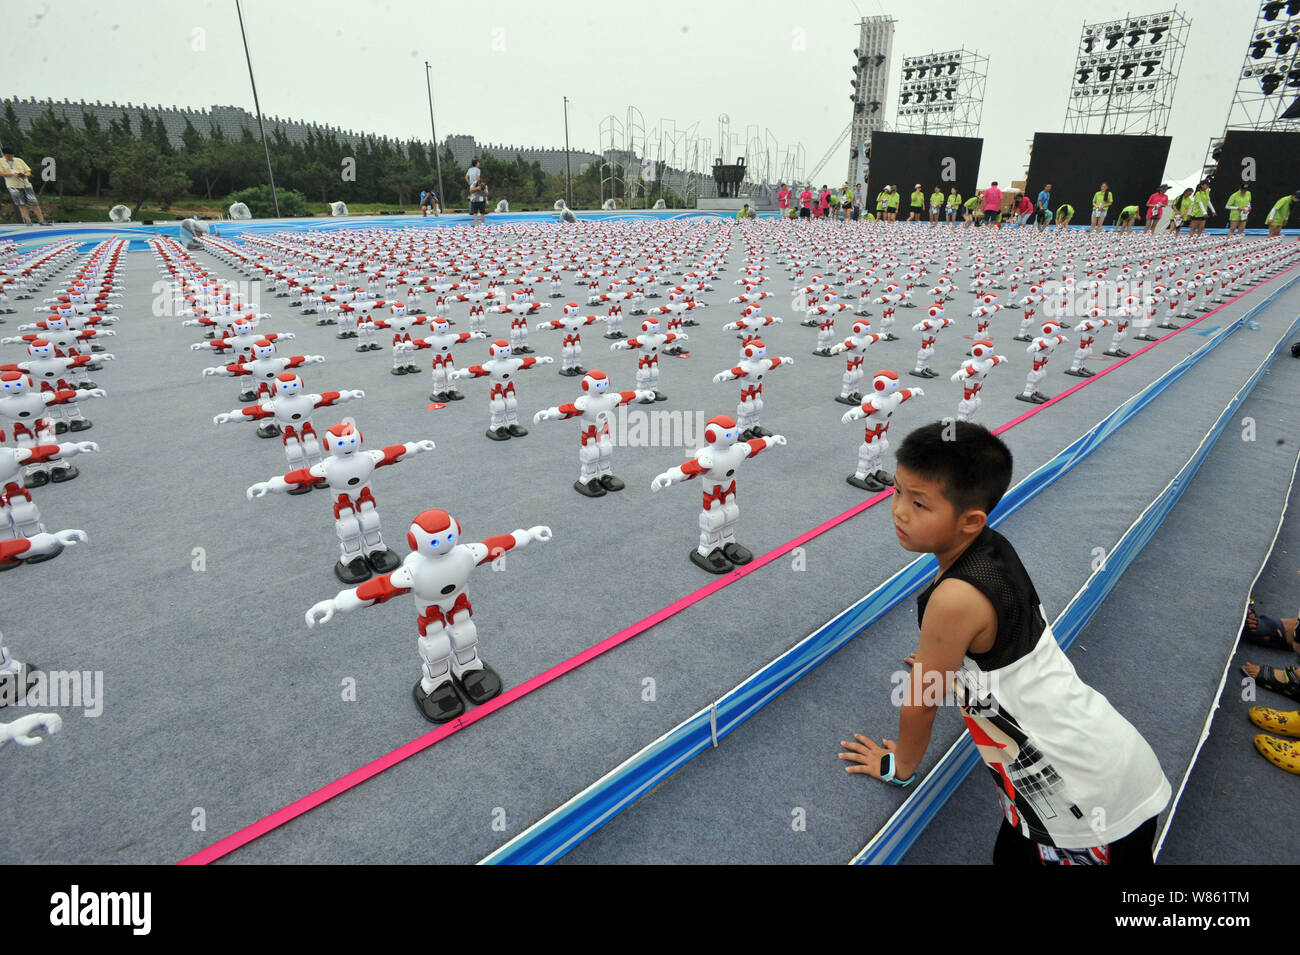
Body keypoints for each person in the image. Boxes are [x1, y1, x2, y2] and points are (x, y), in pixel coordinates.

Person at [838, 421, 1171, 865]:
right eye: (897, 491)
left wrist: (899, 768)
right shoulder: (994, 550)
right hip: (1102, 757)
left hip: (1077, 799)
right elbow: (1000, 635)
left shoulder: (953, 598)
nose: (899, 511)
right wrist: (945, 659)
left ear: (970, 520)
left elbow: (920, 701)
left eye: (919, 503)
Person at [0, 146, 48, 226]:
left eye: (12, 155)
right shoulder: (1, 161)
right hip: (13, 185)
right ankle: (28, 221)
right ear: (5, 155)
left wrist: (25, 175)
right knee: (21, 204)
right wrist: (12, 174)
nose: (11, 157)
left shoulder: (19, 160)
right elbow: (1, 173)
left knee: (34, 203)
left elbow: (28, 171)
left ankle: (42, 220)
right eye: (9, 156)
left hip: (25, 184)